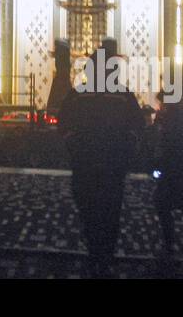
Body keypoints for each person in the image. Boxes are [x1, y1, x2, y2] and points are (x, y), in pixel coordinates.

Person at [57, 38, 144, 277]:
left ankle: (95, 251)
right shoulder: (123, 95)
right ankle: (106, 254)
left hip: (84, 164)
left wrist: (72, 144)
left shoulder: (78, 95)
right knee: (110, 211)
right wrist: (128, 149)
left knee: (88, 209)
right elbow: (138, 125)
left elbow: (62, 123)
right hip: (113, 165)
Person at [153, 82, 183, 267]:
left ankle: (172, 247)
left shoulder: (173, 117)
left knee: (167, 205)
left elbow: (166, 142)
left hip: (175, 166)